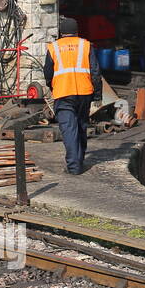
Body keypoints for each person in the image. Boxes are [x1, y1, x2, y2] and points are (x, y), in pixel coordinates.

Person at [43, 17, 101, 176]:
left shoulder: (53, 47)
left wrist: (51, 85)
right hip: (84, 93)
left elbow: (48, 72)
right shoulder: (86, 45)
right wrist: (97, 96)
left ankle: (74, 167)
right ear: (77, 31)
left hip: (63, 93)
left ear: (61, 33)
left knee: (69, 129)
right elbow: (95, 72)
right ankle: (79, 159)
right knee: (81, 125)